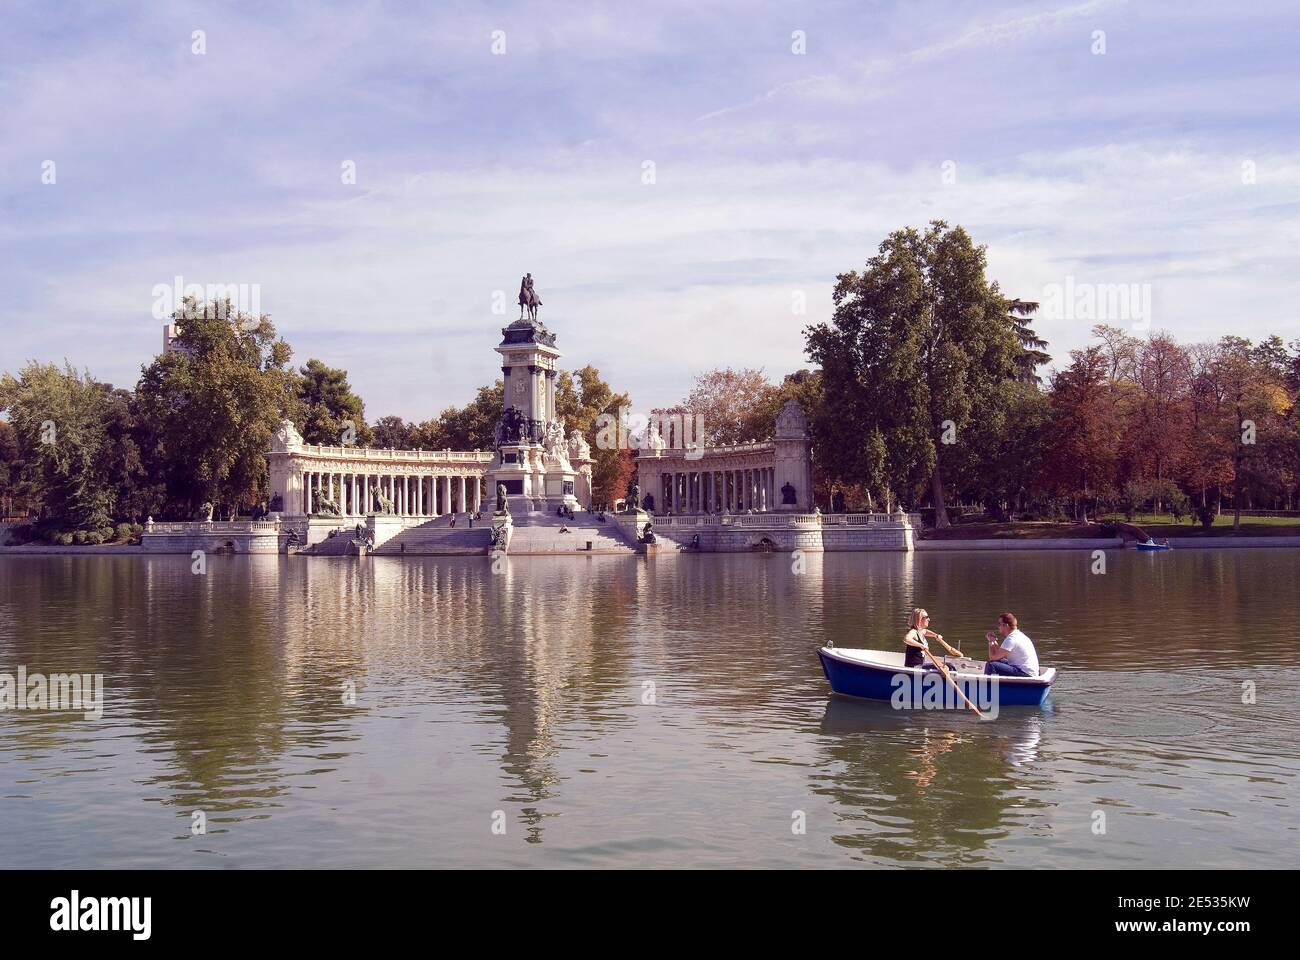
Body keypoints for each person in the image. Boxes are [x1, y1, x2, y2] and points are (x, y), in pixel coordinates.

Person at [984, 612, 1040, 677]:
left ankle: (988, 686)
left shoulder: (1011, 639)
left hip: (1025, 673)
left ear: (1006, 625)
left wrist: (990, 642)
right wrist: (994, 641)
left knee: (991, 665)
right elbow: (999, 654)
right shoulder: (1017, 635)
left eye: (999, 624)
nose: (998, 626)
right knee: (998, 660)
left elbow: (992, 657)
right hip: (1028, 671)